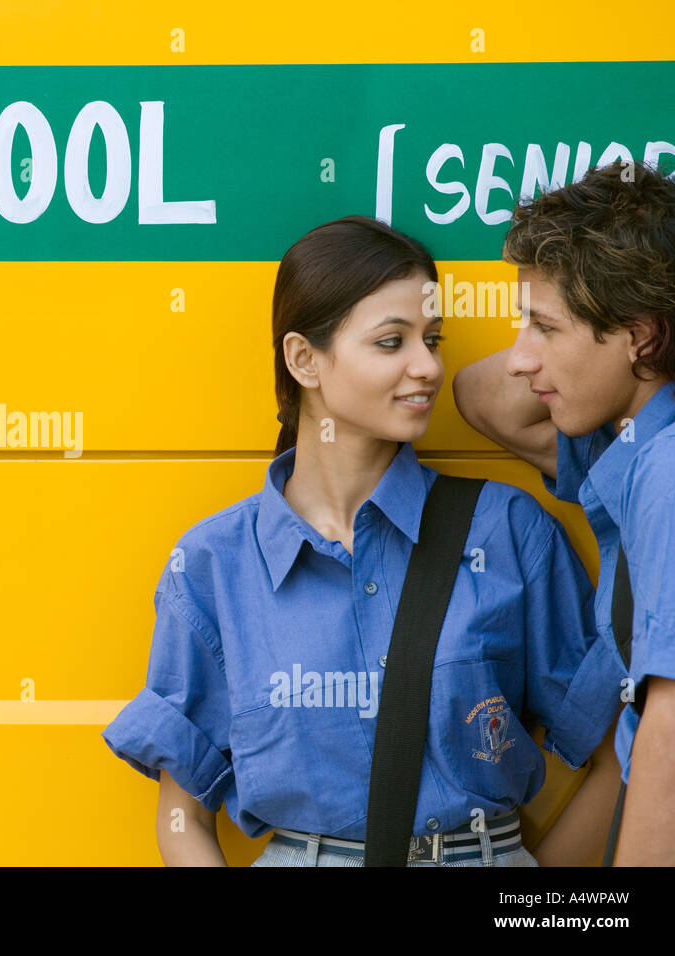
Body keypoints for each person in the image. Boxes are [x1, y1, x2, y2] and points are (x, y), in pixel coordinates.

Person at [101, 215, 625, 867]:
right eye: (391, 342)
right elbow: (182, 812)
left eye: (432, 340)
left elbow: (619, 754)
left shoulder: (508, 532)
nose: (427, 366)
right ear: (303, 359)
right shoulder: (215, 565)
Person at [453, 160, 675, 866]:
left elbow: (670, 737)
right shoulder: (631, 447)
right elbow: (479, 395)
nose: (520, 357)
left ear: (640, 337)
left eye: (543, 326)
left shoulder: (668, 470)